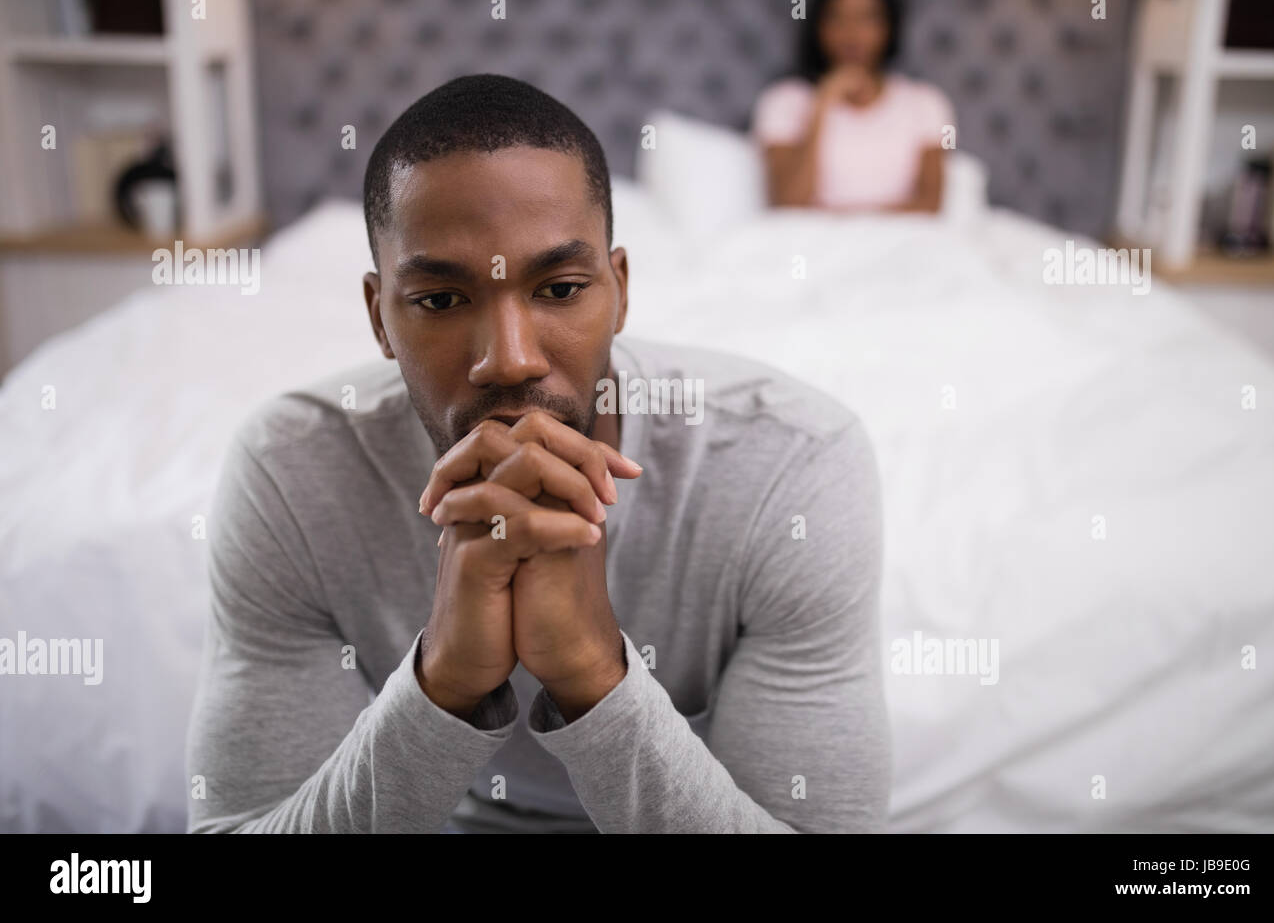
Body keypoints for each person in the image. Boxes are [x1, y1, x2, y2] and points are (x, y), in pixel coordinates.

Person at [184, 73, 889, 833]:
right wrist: (442, 684)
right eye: (441, 300)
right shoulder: (290, 474)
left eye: (558, 288)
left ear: (617, 290)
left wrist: (595, 675)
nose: (510, 360)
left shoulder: (793, 467)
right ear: (378, 317)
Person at [753, 0, 955, 212]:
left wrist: (847, 220)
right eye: (836, 16)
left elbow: (930, 205)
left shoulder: (927, 104)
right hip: (811, 243)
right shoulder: (783, 102)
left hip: (900, 242)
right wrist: (822, 105)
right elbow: (788, 204)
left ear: (889, 26)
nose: (852, 33)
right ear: (817, 25)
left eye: (867, 17)